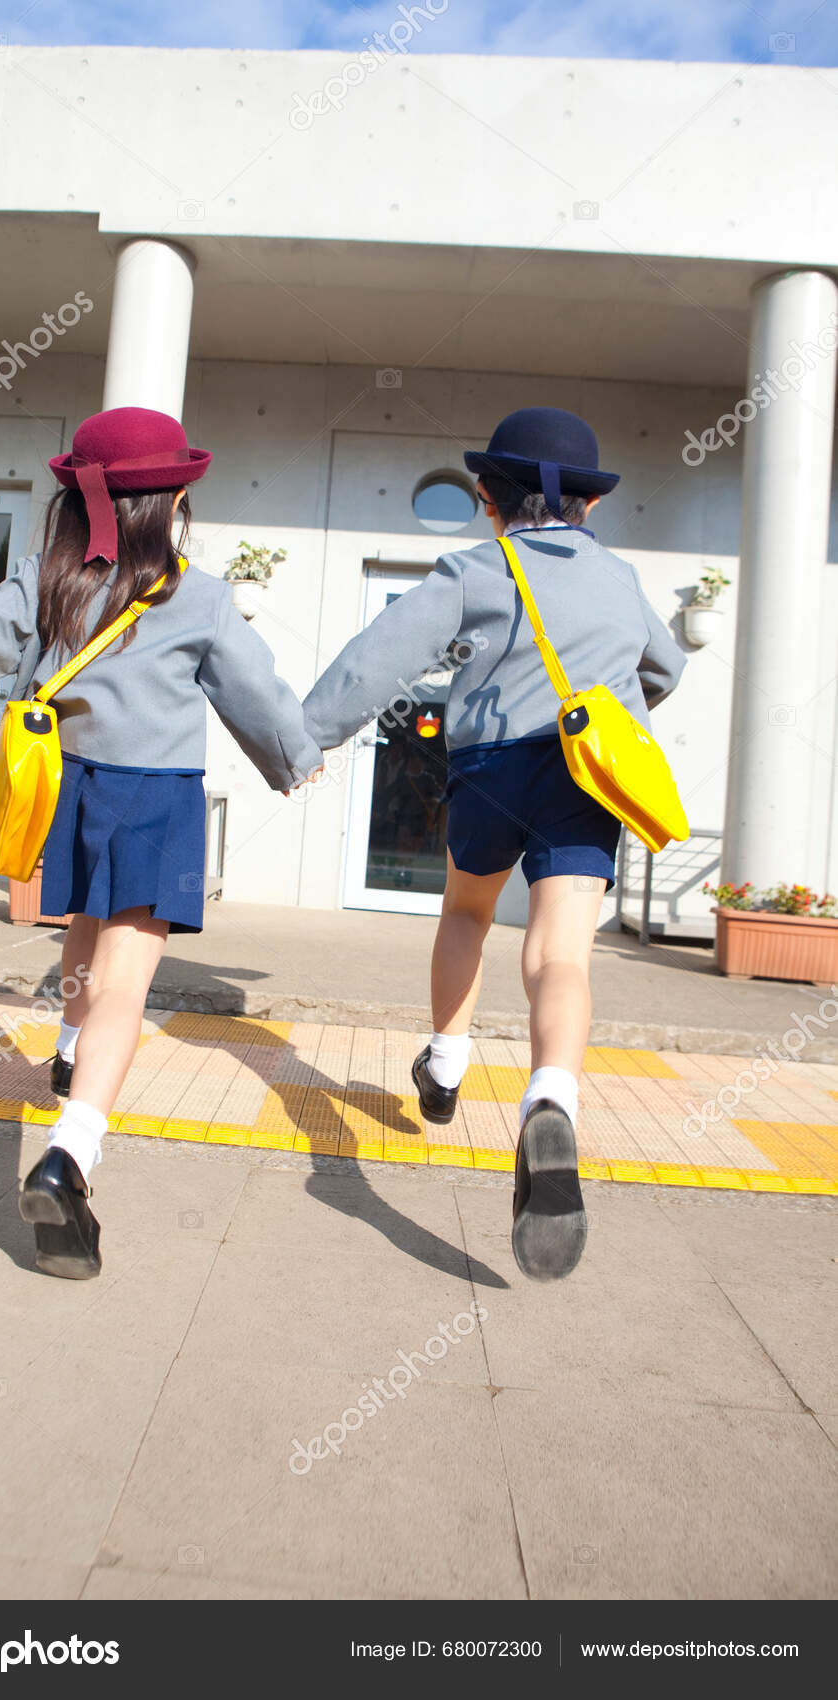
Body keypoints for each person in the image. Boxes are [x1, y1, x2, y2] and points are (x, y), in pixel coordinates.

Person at [0, 406, 323, 1281]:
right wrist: (295, 758)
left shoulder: (45, 582)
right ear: (174, 500)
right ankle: (70, 1157)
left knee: (83, 922)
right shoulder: (200, 595)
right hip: (154, 799)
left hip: (68, 792)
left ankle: (69, 1056)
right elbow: (254, 692)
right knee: (126, 983)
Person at [303, 407, 686, 1280]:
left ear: (487, 499)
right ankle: (550, 1095)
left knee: (468, 912)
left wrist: (302, 739)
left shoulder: (475, 567)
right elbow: (663, 668)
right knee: (561, 958)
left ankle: (444, 1063)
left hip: (489, 769)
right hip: (586, 776)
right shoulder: (618, 578)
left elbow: (377, 662)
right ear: (586, 505)